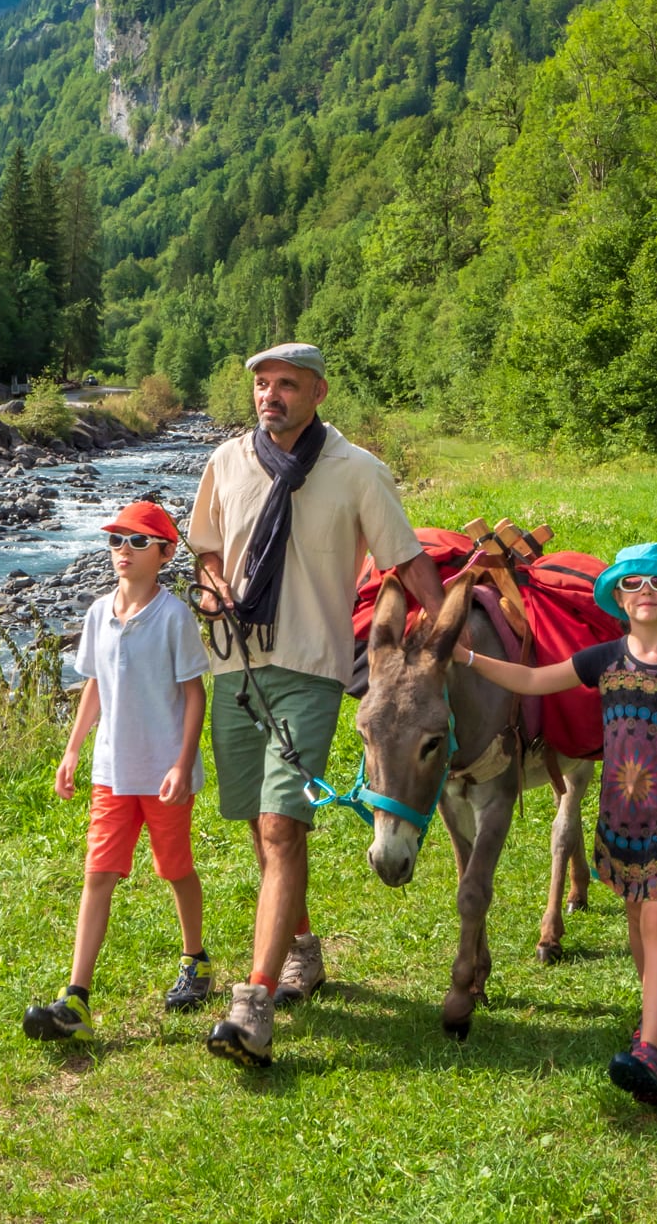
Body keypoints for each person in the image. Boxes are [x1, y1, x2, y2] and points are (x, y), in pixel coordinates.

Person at [190, 341, 446, 1067]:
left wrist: (450, 649)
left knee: (280, 826)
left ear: (318, 392)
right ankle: (302, 948)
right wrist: (211, 584)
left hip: (309, 665)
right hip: (234, 662)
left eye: (286, 385)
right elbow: (205, 547)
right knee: (256, 821)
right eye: (262, 385)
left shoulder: (356, 469)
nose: (270, 396)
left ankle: (255, 1001)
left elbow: (404, 558)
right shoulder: (226, 463)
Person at [463, 540, 657, 1106]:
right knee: (638, 921)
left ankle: (651, 1053)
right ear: (617, 596)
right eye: (633, 584)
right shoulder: (603, 660)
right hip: (621, 822)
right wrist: (466, 659)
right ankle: (653, 1019)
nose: (646, 593)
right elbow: (533, 682)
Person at [23, 499, 212, 1041]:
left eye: (136, 542)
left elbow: (194, 696)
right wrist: (73, 750)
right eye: (115, 540)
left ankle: (195, 959)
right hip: (111, 770)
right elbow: (95, 685)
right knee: (98, 874)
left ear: (165, 554)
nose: (122, 551)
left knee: (175, 869)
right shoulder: (97, 613)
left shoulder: (174, 617)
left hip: (162, 774)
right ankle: (75, 999)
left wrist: (182, 762)